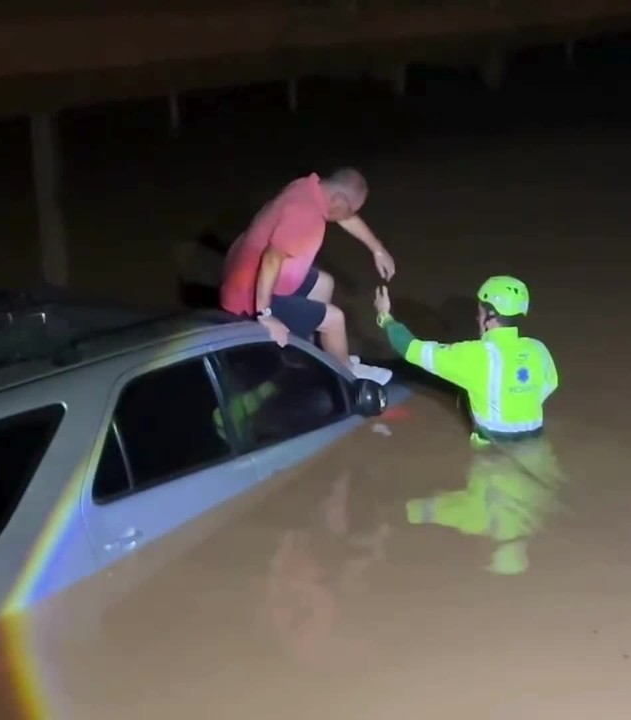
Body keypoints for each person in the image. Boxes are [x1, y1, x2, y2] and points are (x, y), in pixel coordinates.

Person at [372, 276, 563, 574]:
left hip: (494, 456)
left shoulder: (475, 356)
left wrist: (385, 317)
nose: (477, 316)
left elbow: (410, 349)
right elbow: (549, 384)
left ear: (489, 314)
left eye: (479, 310)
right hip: (537, 452)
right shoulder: (538, 350)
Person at [220, 168, 395, 384]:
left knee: (324, 283)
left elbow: (345, 217)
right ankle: (347, 373)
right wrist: (265, 313)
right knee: (334, 319)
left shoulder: (308, 188)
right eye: (350, 209)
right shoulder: (305, 216)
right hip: (249, 295)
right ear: (338, 199)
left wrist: (377, 249)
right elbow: (271, 259)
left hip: (260, 275)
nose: (350, 216)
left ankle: (308, 351)